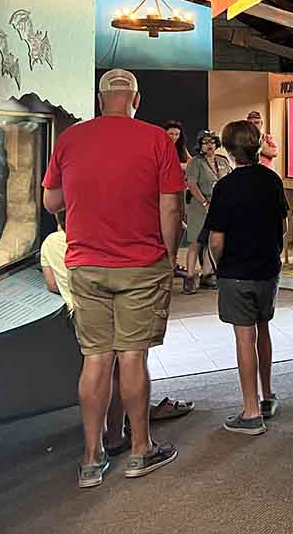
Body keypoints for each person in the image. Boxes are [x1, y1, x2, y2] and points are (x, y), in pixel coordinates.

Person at [42, 68, 185, 488]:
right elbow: (171, 208)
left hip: (86, 265)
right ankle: (141, 449)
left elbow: (51, 200)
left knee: (96, 358)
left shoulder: (70, 139)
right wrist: (169, 256)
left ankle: (92, 458)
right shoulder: (157, 139)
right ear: (135, 99)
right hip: (141, 264)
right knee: (133, 357)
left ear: (99, 98)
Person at [41, 211, 193, 458]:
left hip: (81, 305)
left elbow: (51, 283)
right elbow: (173, 215)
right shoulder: (100, 233)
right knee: (129, 360)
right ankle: (129, 442)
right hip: (127, 282)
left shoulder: (50, 242)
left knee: (96, 362)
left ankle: (93, 454)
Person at [207, 121, 289, 436]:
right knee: (263, 330)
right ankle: (267, 396)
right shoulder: (272, 180)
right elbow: (283, 227)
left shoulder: (225, 187)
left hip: (236, 272)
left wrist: (219, 266)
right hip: (267, 269)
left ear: (228, 150)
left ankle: (251, 411)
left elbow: (216, 240)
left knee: (244, 338)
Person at [184, 130, 231, 292]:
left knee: (210, 241)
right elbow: (191, 184)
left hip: (219, 206)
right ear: (200, 145)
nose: (209, 145)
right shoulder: (195, 162)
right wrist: (204, 202)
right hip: (199, 206)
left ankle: (207, 275)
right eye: (205, 142)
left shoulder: (223, 161)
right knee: (196, 241)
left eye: (212, 141)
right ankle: (190, 277)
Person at [163, 121, 191, 279]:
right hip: (165, 191)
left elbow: (191, 165)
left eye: (176, 134)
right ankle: (169, 264)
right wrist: (180, 166)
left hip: (182, 190)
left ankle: (172, 263)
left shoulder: (181, 149)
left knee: (180, 228)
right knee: (173, 224)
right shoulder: (161, 147)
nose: (174, 137)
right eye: (171, 134)